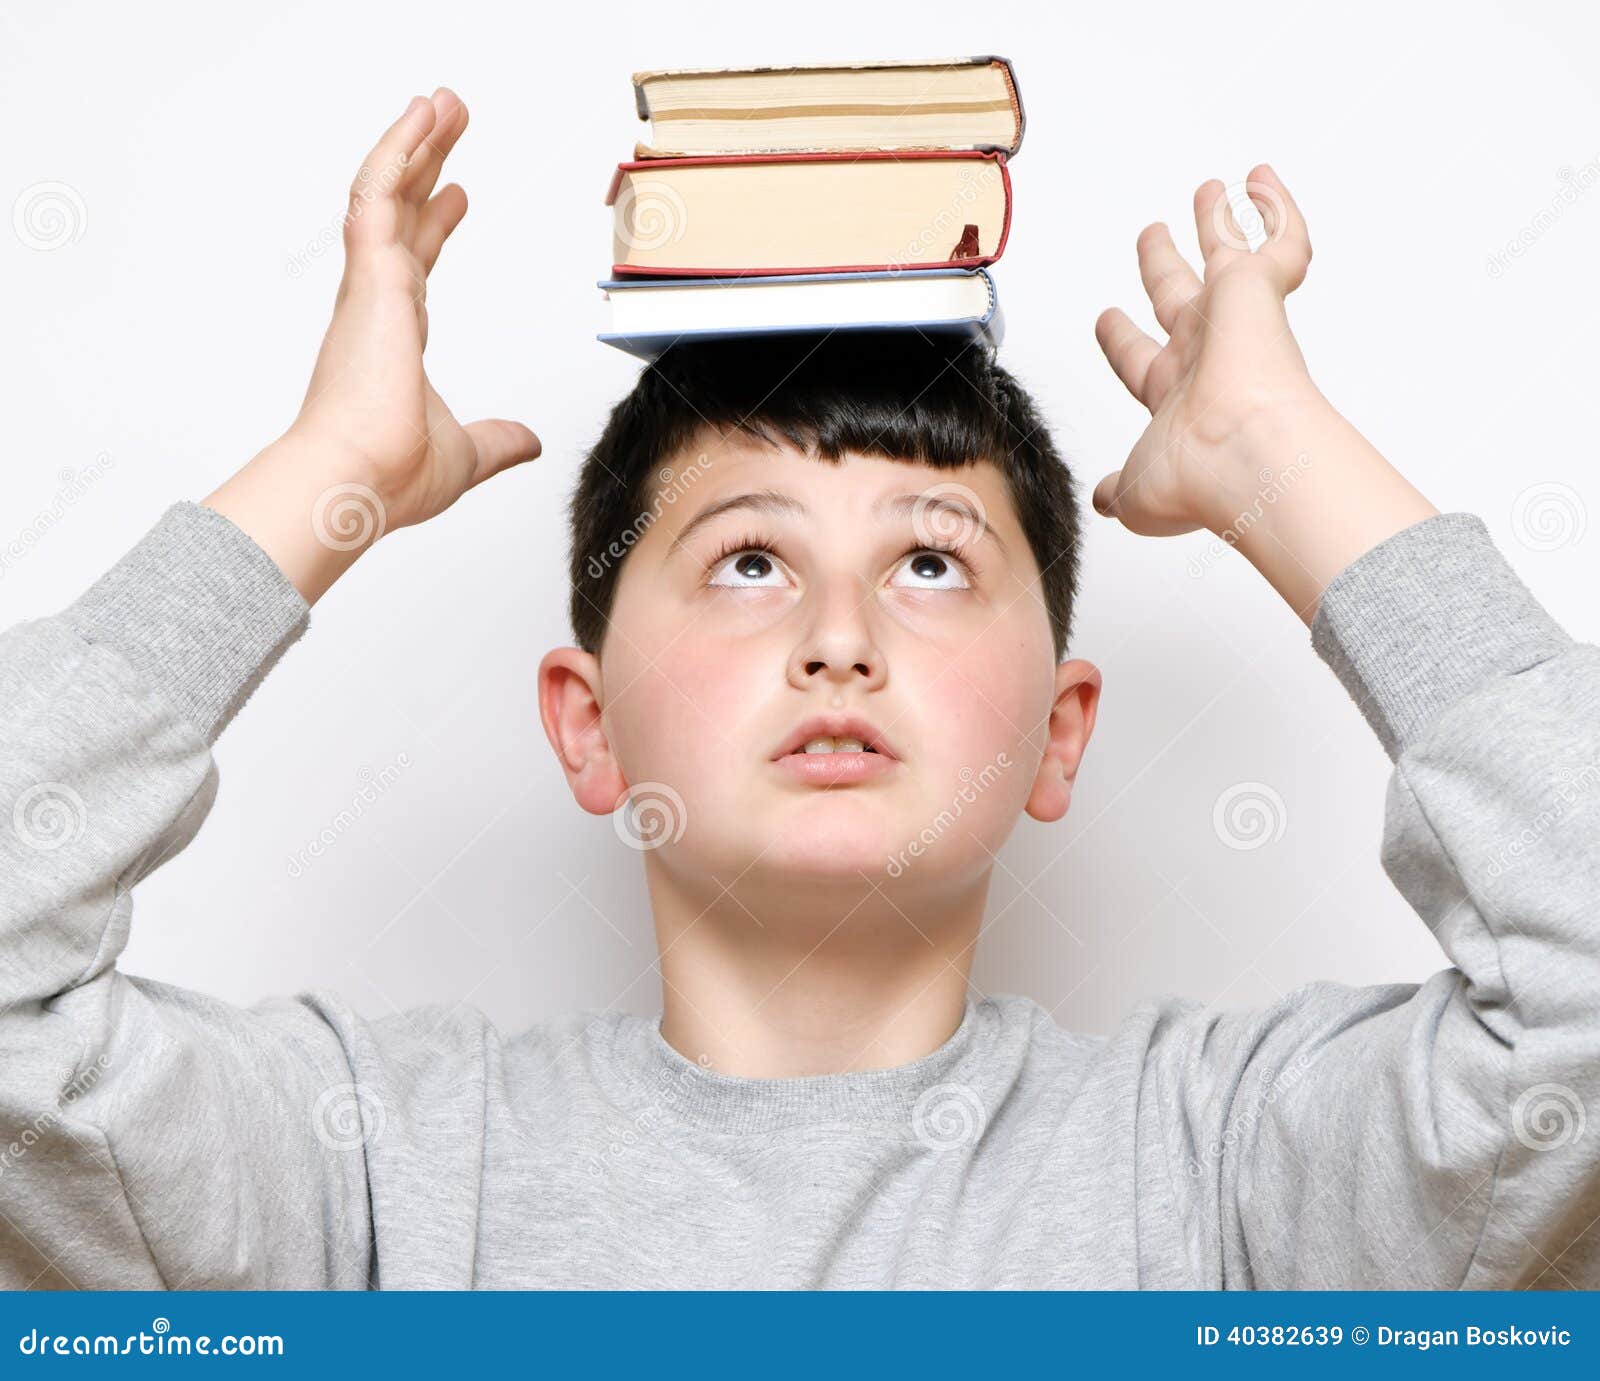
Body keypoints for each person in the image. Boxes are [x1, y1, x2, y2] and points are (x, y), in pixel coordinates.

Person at [2, 87, 1594, 1290]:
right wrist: (322, 476)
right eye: (752, 562)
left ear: (1061, 733)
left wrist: (1287, 470)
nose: (842, 637)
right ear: (587, 722)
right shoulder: (372, 1175)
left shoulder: (1231, 1170)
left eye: (932, 563)